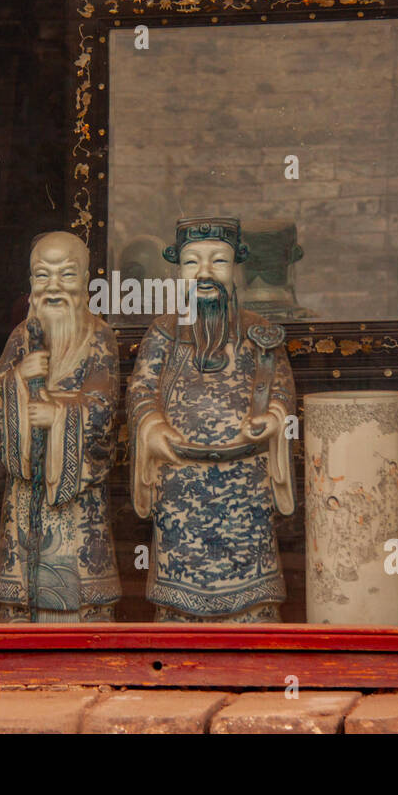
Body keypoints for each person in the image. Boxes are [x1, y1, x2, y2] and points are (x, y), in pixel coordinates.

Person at [127, 216, 296, 622]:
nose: (204, 273)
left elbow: (282, 389)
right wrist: (152, 425)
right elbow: (140, 389)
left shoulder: (260, 334)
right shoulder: (163, 333)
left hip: (246, 485)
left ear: (236, 268)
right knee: (179, 609)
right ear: (177, 272)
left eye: (218, 261)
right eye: (192, 263)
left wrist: (274, 417)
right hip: (179, 483)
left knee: (251, 607)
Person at [0, 232, 122, 622]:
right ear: (31, 282)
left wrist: (58, 414)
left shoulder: (100, 337)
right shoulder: (21, 336)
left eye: (66, 274)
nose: (53, 286)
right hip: (26, 490)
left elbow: (104, 404)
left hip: (78, 499)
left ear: (86, 281)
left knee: (83, 595)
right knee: (22, 592)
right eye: (43, 275)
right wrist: (18, 378)